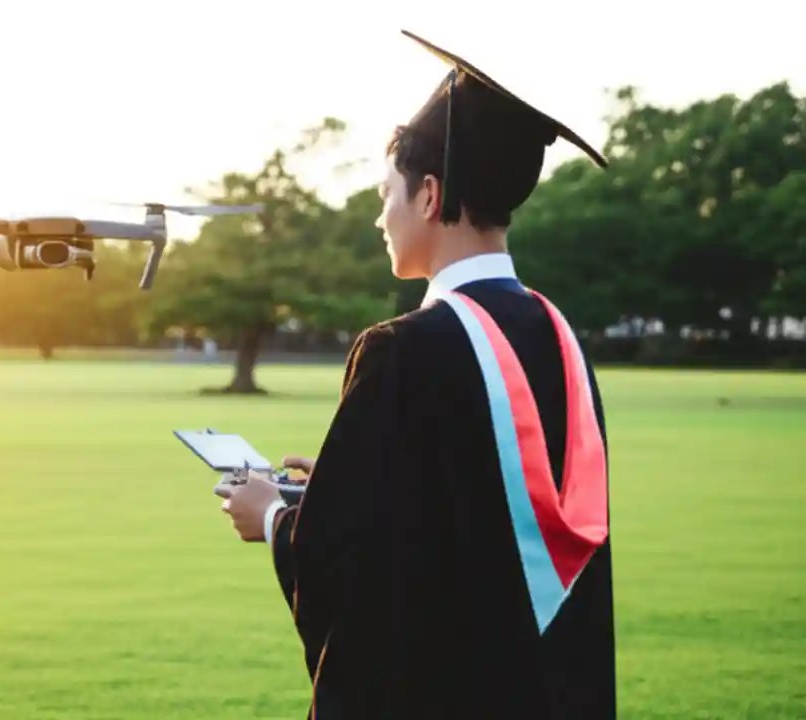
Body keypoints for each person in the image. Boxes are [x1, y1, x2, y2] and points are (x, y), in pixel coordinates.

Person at [215, 30, 616, 718]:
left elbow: (354, 569)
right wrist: (346, 483)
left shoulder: (403, 349)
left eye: (385, 194)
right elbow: (475, 516)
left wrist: (276, 515)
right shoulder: (557, 335)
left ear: (429, 196)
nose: (380, 217)